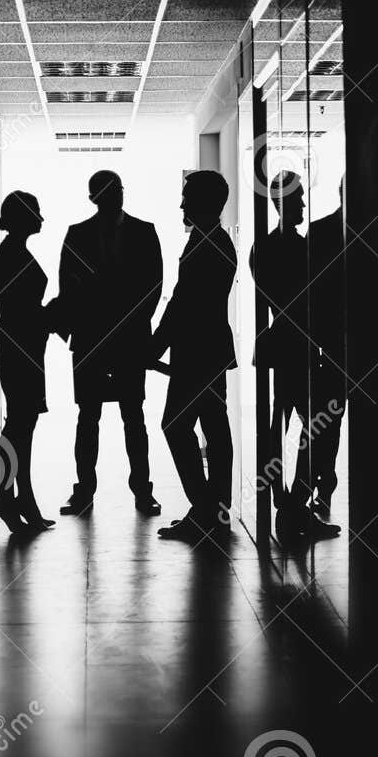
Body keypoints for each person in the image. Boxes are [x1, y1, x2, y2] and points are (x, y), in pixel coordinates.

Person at [55, 171, 163, 517]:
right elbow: (68, 289)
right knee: (90, 417)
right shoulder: (77, 234)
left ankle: (141, 491)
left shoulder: (144, 231)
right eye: (108, 192)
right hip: (96, 339)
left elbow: (153, 287)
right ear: (95, 198)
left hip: (122, 339)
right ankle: (85, 490)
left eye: (115, 190)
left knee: (131, 417)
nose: (114, 196)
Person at [250, 172, 338, 538]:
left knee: (289, 423)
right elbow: (302, 301)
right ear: (281, 204)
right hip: (297, 346)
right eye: (298, 199)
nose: (303, 204)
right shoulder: (291, 247)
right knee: (308, 423)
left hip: (287, 344)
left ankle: (288, 502)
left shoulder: (270, 247)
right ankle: (292, 503)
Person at [151, 170, 236, 541]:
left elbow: (184, 302)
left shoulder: (207, 243)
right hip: (209, 348)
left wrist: (154, 345)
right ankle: (213, 509)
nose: (182, 204)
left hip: (198, 351)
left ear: (203, 201)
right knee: (213, 426)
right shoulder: (211, 239)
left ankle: (205, 509)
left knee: (177, 425)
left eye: (187, 197)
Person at [0, 191, 54, 534]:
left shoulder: (12, 252)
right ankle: (13, 498)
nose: (41, 218)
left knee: (19, 425)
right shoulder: (13, 254)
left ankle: (16, 498)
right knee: (19, 426)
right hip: (21, 346)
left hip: (21, 345)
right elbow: (20, 310)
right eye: (36, 212)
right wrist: (53, 312)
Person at [298, 180, 346, 522]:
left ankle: (323, 482)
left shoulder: (320, 231)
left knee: (331, 417)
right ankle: (323, 481)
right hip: (329, 341)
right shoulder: (319, 232)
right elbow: (308, 289)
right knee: (329, 417)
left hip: (350, 342)